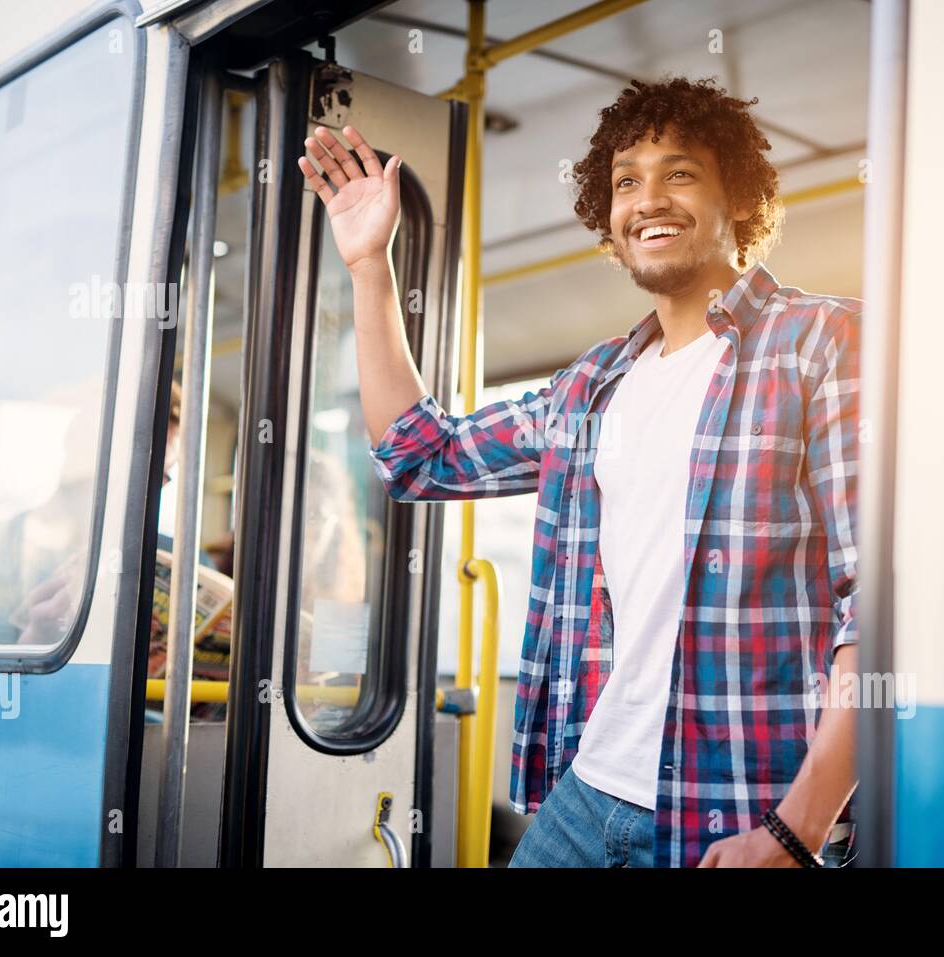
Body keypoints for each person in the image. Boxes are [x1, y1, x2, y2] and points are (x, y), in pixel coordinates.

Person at [298, 76, 860, 868]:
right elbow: (418, 454)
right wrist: (368, 266)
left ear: (737, 195)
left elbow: (880, 606)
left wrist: (796, 830)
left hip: (744, 808)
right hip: (589, 794)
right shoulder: (592, 385)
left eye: (680, 173)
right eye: (626, 181)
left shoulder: (822, 343)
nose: (648, 199)